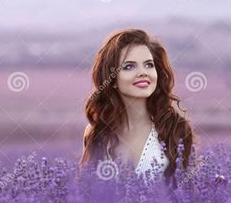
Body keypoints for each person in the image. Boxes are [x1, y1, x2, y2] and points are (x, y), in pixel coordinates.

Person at [81, 28, 195, 183]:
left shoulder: (175, 128)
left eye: (149, 65)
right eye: (129, 66)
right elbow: (88, 194)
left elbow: (186, 194)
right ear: (112, 79)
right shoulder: (97, 132)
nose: (143, 72)